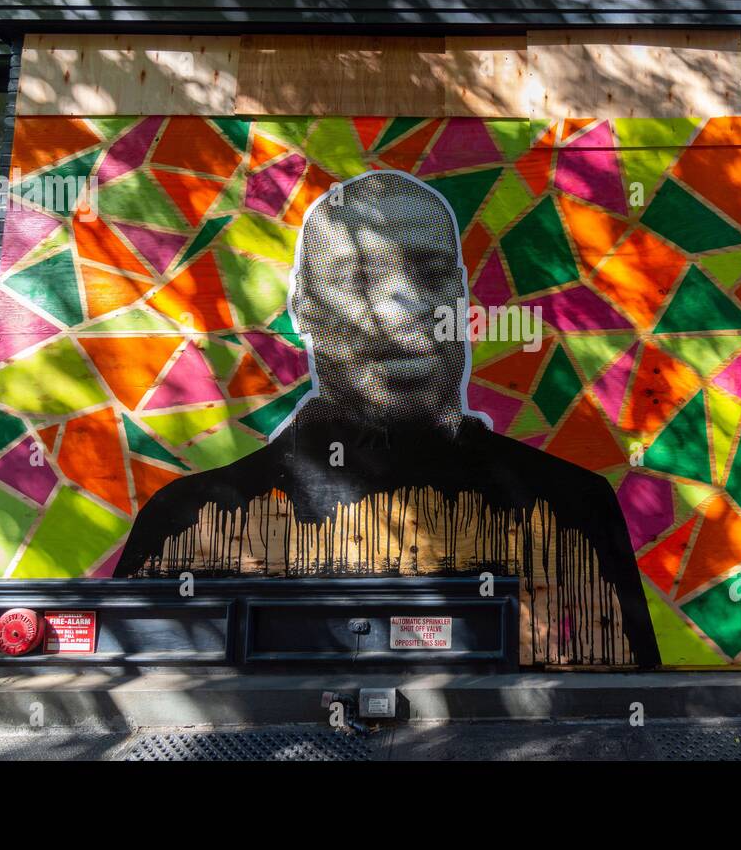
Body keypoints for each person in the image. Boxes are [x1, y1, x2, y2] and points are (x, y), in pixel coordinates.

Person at [114, 170, 659, 667]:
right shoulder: (186, 522)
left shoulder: (573, 508)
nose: (400, 309)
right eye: (358, 277)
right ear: (304, 308)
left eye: (430, 274)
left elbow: (621, 708)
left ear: (462, 300)